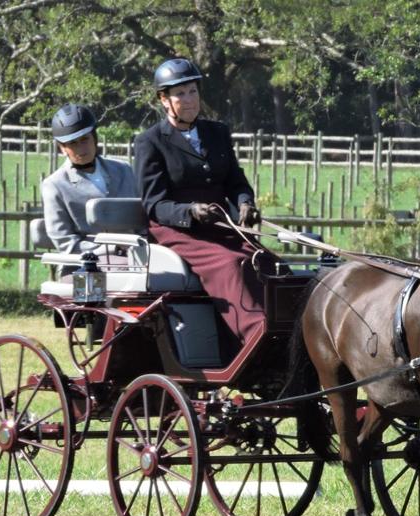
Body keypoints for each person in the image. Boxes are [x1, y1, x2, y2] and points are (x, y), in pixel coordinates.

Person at [133, 57, 275, 347]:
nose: (189, 99)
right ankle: (256, 336)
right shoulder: (151, 141)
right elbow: (154, 204)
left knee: (266, 261)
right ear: (164, 100)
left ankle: (289, 326)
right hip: (176, 229)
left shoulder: (217, 132)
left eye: (193, 91)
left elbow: (235, 181)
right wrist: (190, 212)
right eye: (180, 94)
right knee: (232, 264)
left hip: (219, 223)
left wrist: (245, 202)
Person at [36, 103, 139, 252]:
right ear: (62, 148)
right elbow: (65, 241)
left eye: (85, 139)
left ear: (94, 138)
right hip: (88, 261)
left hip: (136, 256)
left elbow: (143, 218)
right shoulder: (55, 185)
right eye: (72, 143)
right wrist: (109, 250)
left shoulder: (124, 170)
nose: (81, 149)